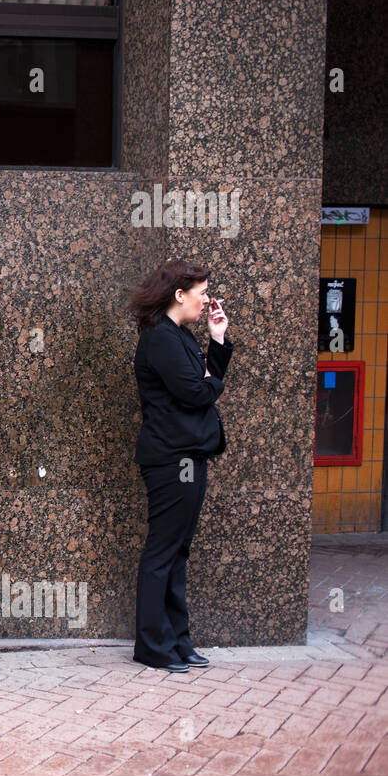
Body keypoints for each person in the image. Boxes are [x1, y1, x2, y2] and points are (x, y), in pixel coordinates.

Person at [128, 258, 232, 672]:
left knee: (177, 551)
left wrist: (218, 342)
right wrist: (208, 382)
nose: (207, 300)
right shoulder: (161, 339)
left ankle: (176, 641)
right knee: (164, 551)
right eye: (202, 292)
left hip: (187, 456)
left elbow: (203, 386)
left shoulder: (179, 335)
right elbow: (195, 393)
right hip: (173, 460)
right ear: (179, 295)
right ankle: (154, 645)